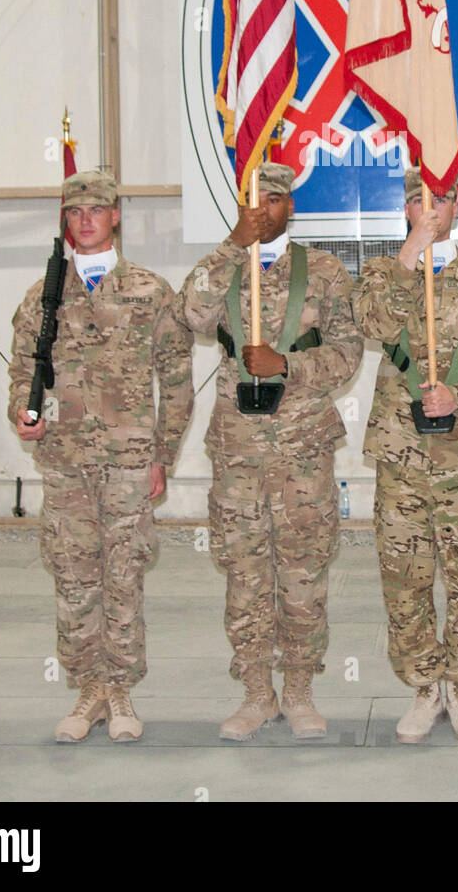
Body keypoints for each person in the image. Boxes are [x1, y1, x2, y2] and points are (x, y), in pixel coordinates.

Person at [9, 170, 194, 743]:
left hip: (129, 461)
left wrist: (163, 453)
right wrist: (22, 410)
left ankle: (121, 691)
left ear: (116, 216)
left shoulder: (149, 290)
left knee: (124, 574)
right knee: (72, 575)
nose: (84, 219)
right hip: (65, 462)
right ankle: (87, 686)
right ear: (65, 221)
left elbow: (179, 378)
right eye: (74, 212)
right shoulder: (44, 294)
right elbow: (22, 371)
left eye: (96, 210)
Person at [181, 162, 363, 741]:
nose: (264, 209)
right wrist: (232, 247)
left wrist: (288, 365)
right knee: (244, 574)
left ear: (291, 207)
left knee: (305, 572)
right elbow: (189, 314)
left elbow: (348, 355)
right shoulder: (226, 265)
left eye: (275, 200)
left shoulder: (326, 272)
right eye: (253, 201)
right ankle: (257, 692)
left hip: (303, 450)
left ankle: (301, 689)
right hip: (237, 450)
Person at [352, 167, 458, 743]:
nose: (430, 209)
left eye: (441, 199)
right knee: (405, 575)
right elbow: (371, 321)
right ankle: (425, 683)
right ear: (405, 210)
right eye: (418, 201)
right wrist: (411, 253)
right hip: (401, 454)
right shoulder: (382, 272)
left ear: (457, 205)